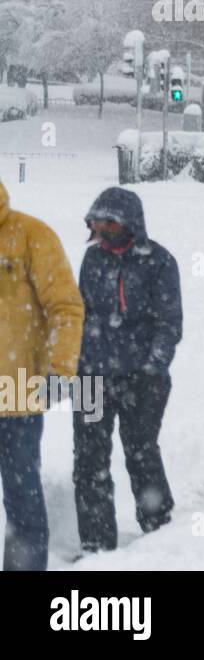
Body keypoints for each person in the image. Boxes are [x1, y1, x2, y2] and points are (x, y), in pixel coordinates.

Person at [74, 187, 182, 556]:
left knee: (140, 452)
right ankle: (95, 544)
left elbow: (169, 323)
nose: (102, 229)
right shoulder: (92, 260)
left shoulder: (160, 261)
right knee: (88, 460)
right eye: (97, 222)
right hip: (91, 377)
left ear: (129, 223)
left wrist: (153, 368)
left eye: (109, 221)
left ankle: (157, 528)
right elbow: (80, 313)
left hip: (142, 377)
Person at [0, 182, 84, 571]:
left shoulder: (31, 234)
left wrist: (60, 369)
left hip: (17, 396)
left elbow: (66, 308)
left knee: (22, 501)